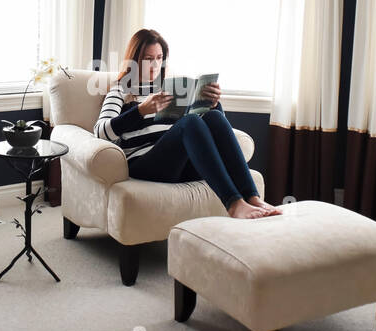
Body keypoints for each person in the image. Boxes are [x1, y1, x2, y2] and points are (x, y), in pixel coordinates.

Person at [94, 28, 281, 220]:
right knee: (189, 122)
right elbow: (100, 132)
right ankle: (234, 204)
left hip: (180, 165)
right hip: (145, 164)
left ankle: (252, 197)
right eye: (148, 58)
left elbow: (205, 132)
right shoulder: (120, 92)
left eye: (159, 58)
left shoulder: (171, 89)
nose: (155, 65)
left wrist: (213, 105)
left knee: (213, 117)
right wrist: (141, 110)